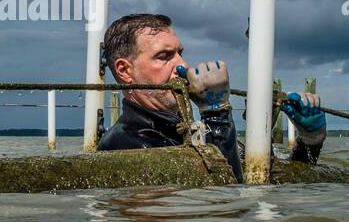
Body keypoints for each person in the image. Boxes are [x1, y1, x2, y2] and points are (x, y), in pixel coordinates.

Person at [96, 13, 326, 184]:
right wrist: (216, 114)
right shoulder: (124, 145)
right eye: (164, 56)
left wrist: (309, 143)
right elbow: (225, 199)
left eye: (180, 54)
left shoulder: (194, 132)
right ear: (125, 71)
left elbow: (268, 181)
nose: (183, 65)